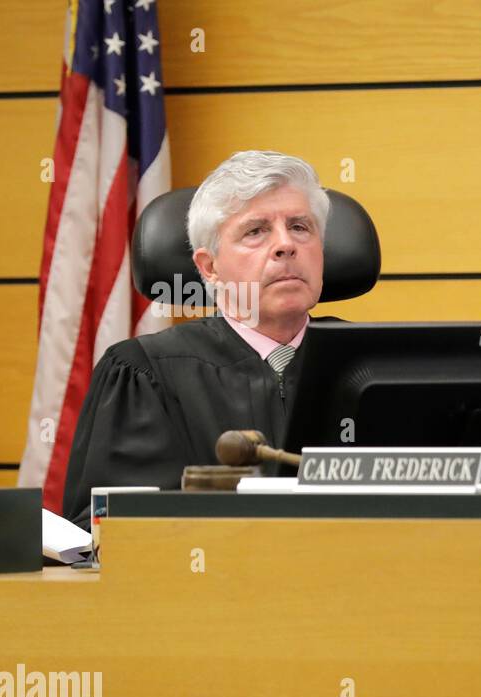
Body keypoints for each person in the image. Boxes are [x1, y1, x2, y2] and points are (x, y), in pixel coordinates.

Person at [61, 150, 333, 530]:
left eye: (300, 227)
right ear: (210, 267)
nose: (285, 245)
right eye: (256, 231)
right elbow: (111, 535)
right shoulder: (145, 373)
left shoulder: (376, 367)